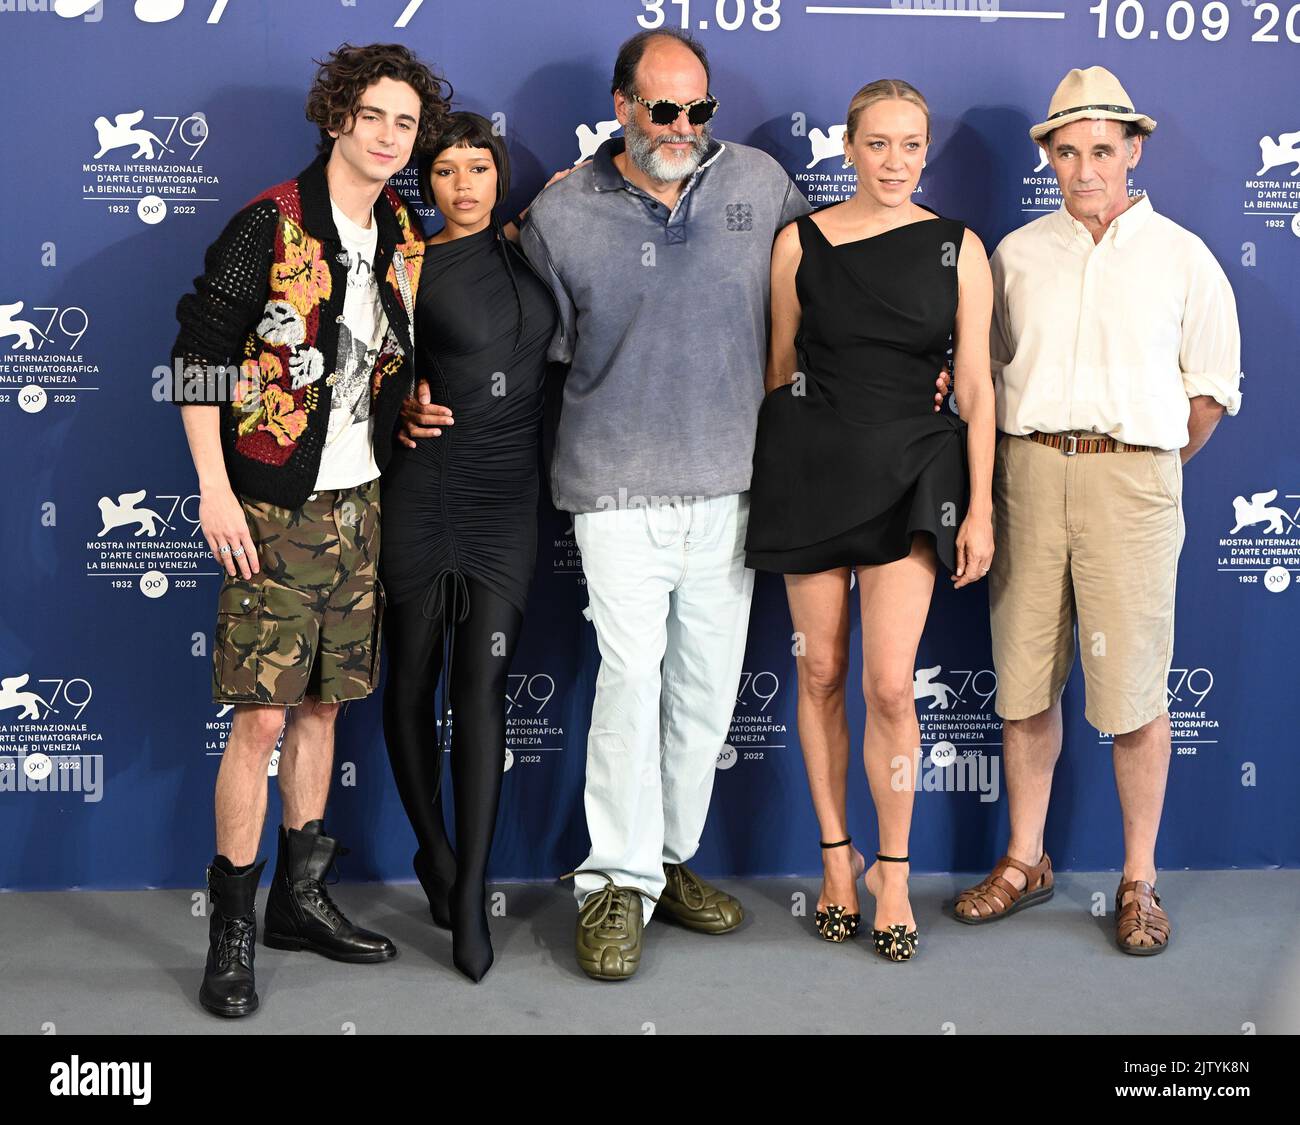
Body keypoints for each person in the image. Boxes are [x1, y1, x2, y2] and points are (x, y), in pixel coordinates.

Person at [169, 42, 450, 1017]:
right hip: (270, 508)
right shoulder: (271, 225)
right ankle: (233, 931)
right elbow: (199, 355)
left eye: (403, 122)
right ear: (337, 117)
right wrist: (211, 487)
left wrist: (399, 412)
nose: (385, 135)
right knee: (260, 719)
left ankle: (300, 899)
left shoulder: (403, 232)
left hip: (362, 503)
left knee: (327, 708)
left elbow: (369, 360)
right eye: (370, 114)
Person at [952, 67, 1242, 955]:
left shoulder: (1184, 256)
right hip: (1028, 475)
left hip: (1135, 485)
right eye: (1068, 151)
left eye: (1102, 151)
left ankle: (1139, 879)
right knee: (1025, 678)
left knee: (1136, 694)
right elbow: (986, 381)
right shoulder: (1014, 254)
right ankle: (1025, 859)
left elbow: (1210, 394)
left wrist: (1134, 459)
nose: (1086, 168)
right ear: (1048, 154)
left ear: (1133, 151)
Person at [745, 80, 996, 961]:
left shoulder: (959, 247)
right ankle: (836, 860)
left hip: (917, 474)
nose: (896, 161)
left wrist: (984, 507)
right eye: (879, 143)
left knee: (891, 685)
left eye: (912, 144)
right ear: (847, 148)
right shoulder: (797, 242)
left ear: (929, 151)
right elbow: (780, 368)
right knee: (819, 677)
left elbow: (975, 387)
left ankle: (893, 866)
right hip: (808, 472)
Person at [380, 112, 559, 982]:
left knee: (481, 684)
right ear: (425, 183)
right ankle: (435, 854)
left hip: (507, 497)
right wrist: (397, 406)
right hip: (425, 487)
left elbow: (619, 163)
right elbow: (359, 367)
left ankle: (473, 886)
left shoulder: (532, 242)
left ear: (500, 176)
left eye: (478, 168)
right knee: (413, 678)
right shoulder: (404, 263)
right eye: (444, 170)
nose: (462, 184)